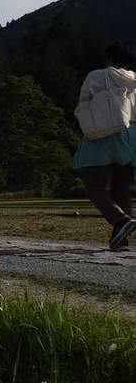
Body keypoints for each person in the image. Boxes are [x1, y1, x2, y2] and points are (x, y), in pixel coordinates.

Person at [73, 41, 136, 251]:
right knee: (121, 189)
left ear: (109, 58)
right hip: (130, 136)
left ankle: (120, 220)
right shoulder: (134, 80)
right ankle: (121, 239)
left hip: (103, 133)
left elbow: (84, 104)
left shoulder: (97, 76)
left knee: (94, 186)